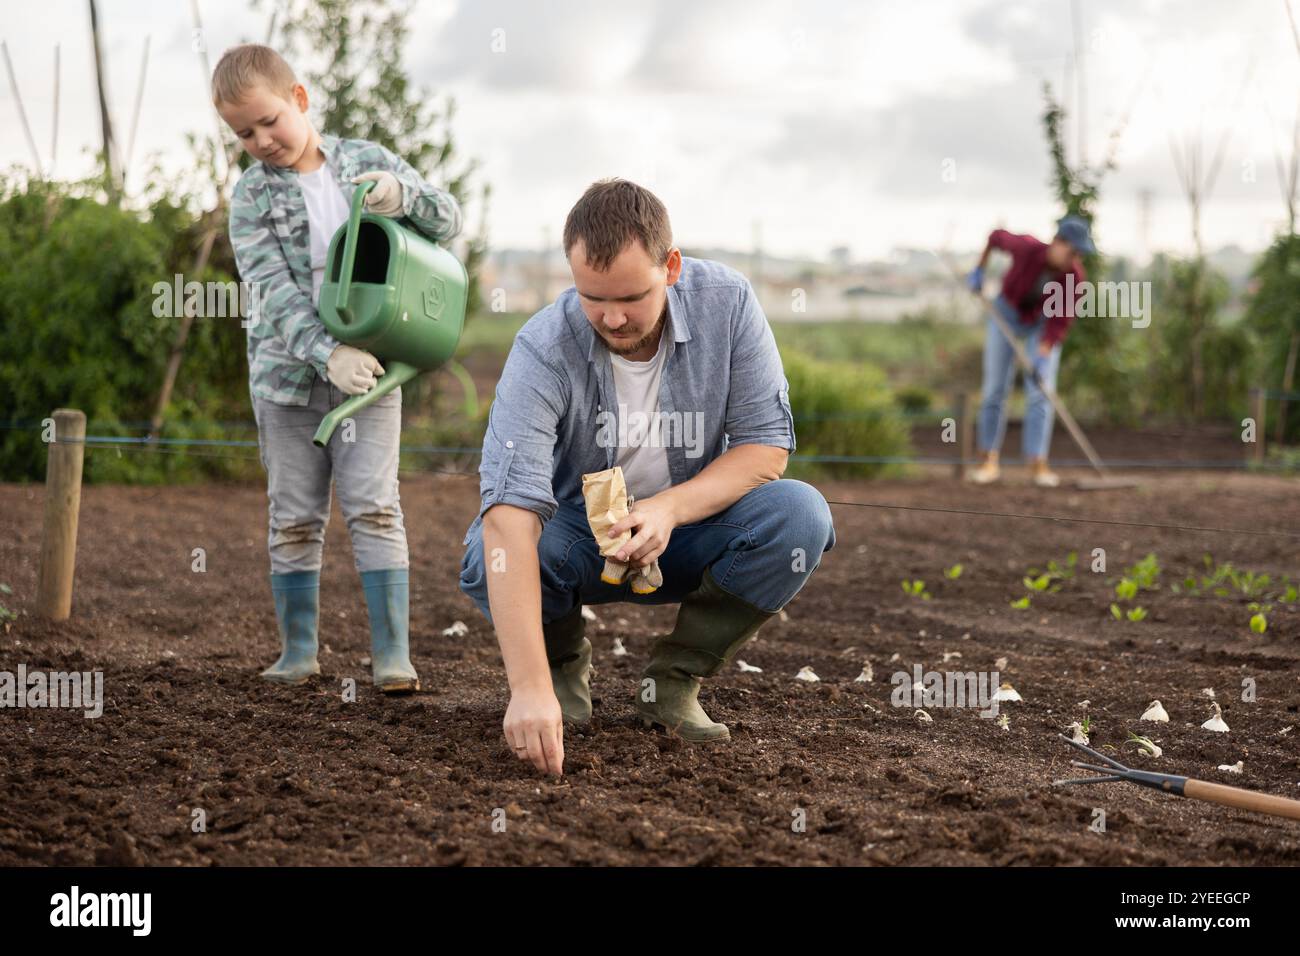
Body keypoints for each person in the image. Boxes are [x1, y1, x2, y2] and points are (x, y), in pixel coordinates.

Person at [459, 179, 836, 775]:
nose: (611, 317)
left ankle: (675, 680)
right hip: (579, 543)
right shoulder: (542, 346)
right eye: (592, 297)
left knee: (799, 515)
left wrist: (667, 510)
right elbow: (509, 510)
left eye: (633, 296)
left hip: (690, 532)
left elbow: (765, 449)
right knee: (490, 553)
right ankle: (558, 671)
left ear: (673, 267)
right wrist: (525, 687)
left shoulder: (729, 304)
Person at [216, 44, 462, 692]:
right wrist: (329, 353)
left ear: (298, 98)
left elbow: (449, 218)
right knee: (294, 515)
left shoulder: (366, 162)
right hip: (288, 382)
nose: (261, 140)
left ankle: (392, 657)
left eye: (269, 120)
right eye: (244, 133)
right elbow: (271, 292)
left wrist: (401, 194)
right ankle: (299, 652)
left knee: (376, 508)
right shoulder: (250, 200)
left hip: (375, 372)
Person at [965, 215, 1094, 487]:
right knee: (995, 389)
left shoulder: (1074, 277)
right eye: (1071, 251)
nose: (1074, 258)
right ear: (1057, 242)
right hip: (1005, 313)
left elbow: (1060, 321)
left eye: (1078, 254)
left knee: (1041, 391)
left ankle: (1037, 464)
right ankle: (987, 460)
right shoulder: (1026, 247)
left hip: (1041, 323)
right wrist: (980, 269)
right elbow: (995, 235)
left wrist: (1043, 355)